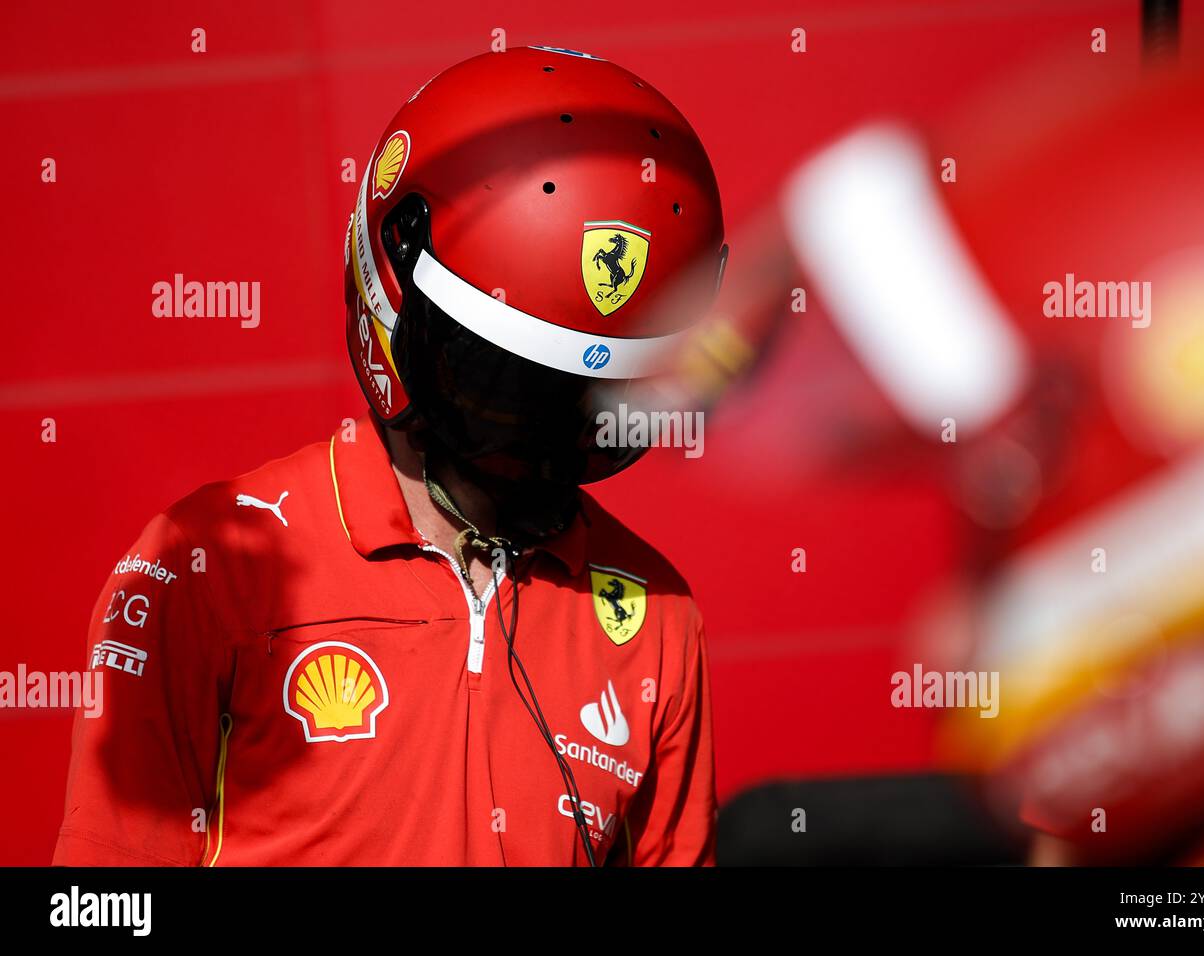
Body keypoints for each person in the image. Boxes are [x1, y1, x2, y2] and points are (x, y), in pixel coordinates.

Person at [53, 45, 727, 866]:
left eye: (594, 402)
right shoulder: (206, 566)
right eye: (509, 384)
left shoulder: (656, 614)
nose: (542, 442)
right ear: (395, 285)